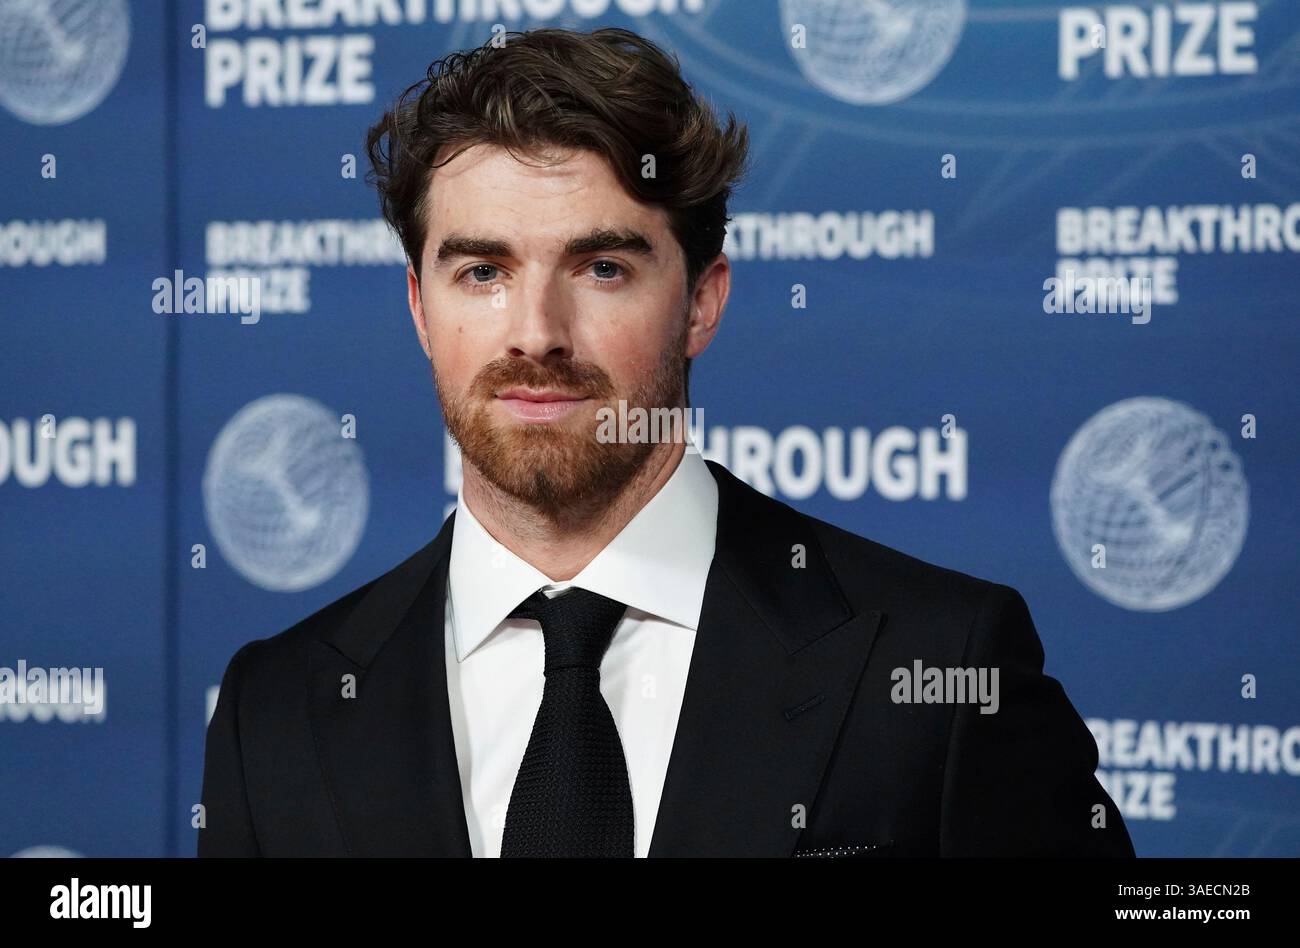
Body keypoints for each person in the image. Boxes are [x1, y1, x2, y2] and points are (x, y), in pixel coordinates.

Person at [197, 26, 1134, 858]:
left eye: (601, 267)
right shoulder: (276, 712)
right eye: (482, 271)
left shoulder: (939, 664)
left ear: (702, 301)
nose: (535, 332)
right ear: (419, 308)